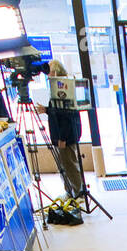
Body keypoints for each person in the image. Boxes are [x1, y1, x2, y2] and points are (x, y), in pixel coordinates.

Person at [41, 62, 84, 198]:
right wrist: (47, 110)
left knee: (69, 164)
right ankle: (71, 191)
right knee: (65, 164)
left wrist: (62, 137)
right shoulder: (59, 88)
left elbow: (66, 115)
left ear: (55, 72)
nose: (48, 75)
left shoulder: (63, 88)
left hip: (66, 135)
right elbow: (59, 112)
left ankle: (78, 192)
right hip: (63, 134)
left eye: (50, 71)